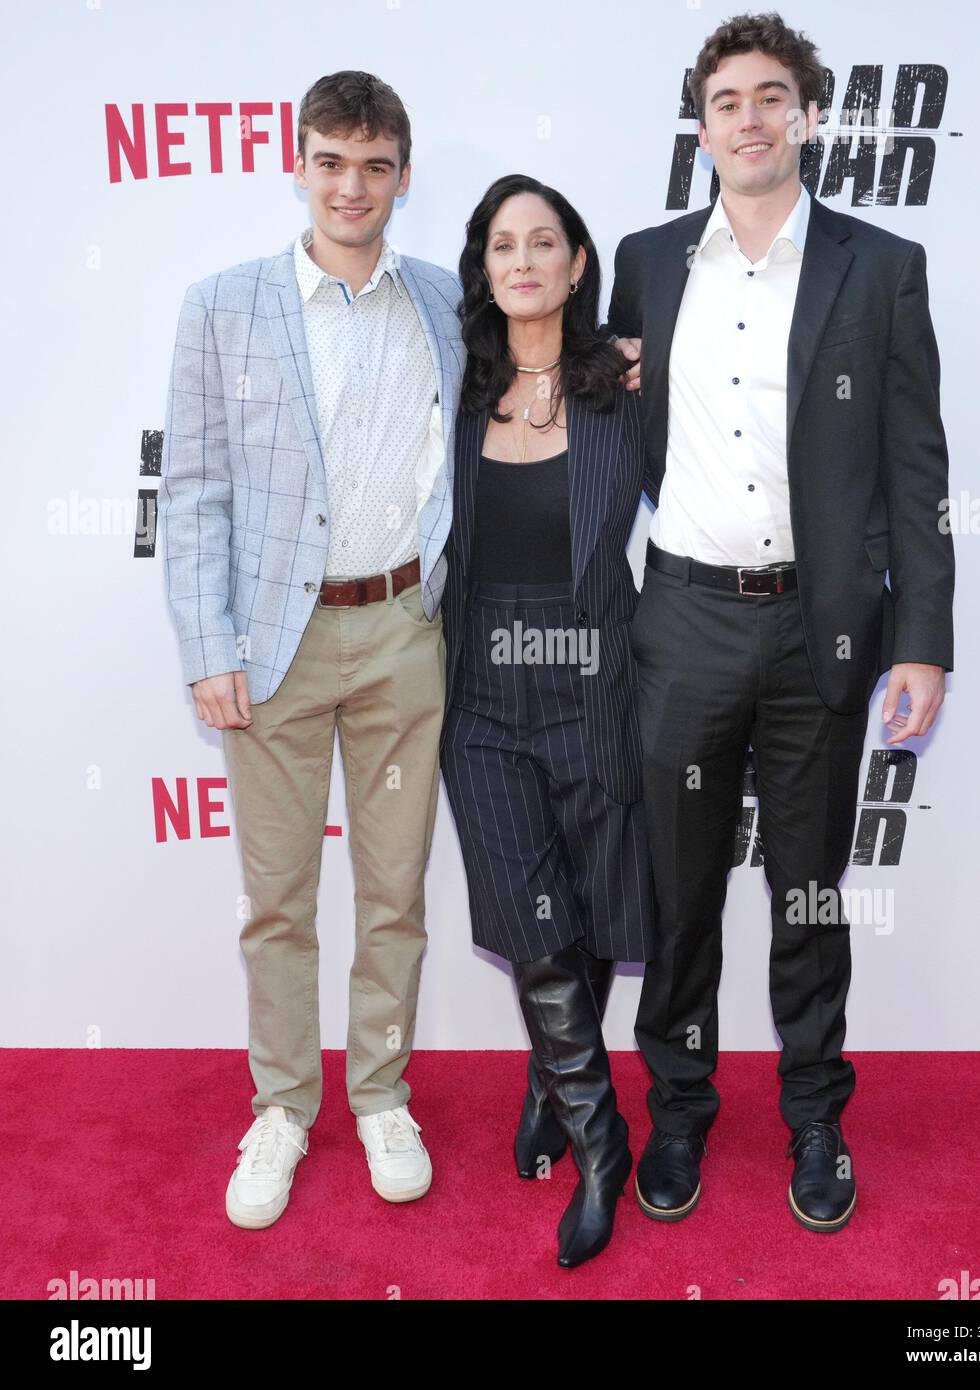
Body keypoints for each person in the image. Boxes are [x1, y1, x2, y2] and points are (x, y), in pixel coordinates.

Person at [606, 12, 955, 1231]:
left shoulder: (878, 263)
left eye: (769, 97)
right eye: (724, 101)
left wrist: (921, 636)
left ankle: (814, 1113)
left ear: (805, 114)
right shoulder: (644, 265)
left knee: (808, 889)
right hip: (686, 618)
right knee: (679, 889)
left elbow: (913, 469)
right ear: (698, 127)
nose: (746, 118)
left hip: (825, 630)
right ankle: (680, 1110)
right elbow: (605, 430)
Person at [160, 71, 465, 1228]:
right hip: (272, 641)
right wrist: (207, 643)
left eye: (375, 165)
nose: (352, 185)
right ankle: (284, 1105)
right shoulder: (222, 305)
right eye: (331, 161)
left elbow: (529, 396)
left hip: (403, 632)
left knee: (394, 892)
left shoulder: (442, 302)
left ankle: (380, 1090)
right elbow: (191, 490)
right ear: (297, 165)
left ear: (399, 175)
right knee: (277, 899)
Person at [440, 175, 656, 1267]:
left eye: (543, 242)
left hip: (588, 671)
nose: (521, 260)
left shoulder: (625, 384)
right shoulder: (453, 382)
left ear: (576, 261)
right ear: (482, 269)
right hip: (474, 685)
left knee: (578, 904)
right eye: (500, 245)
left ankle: (544, 1089)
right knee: (527, 911)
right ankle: (600, 1136)